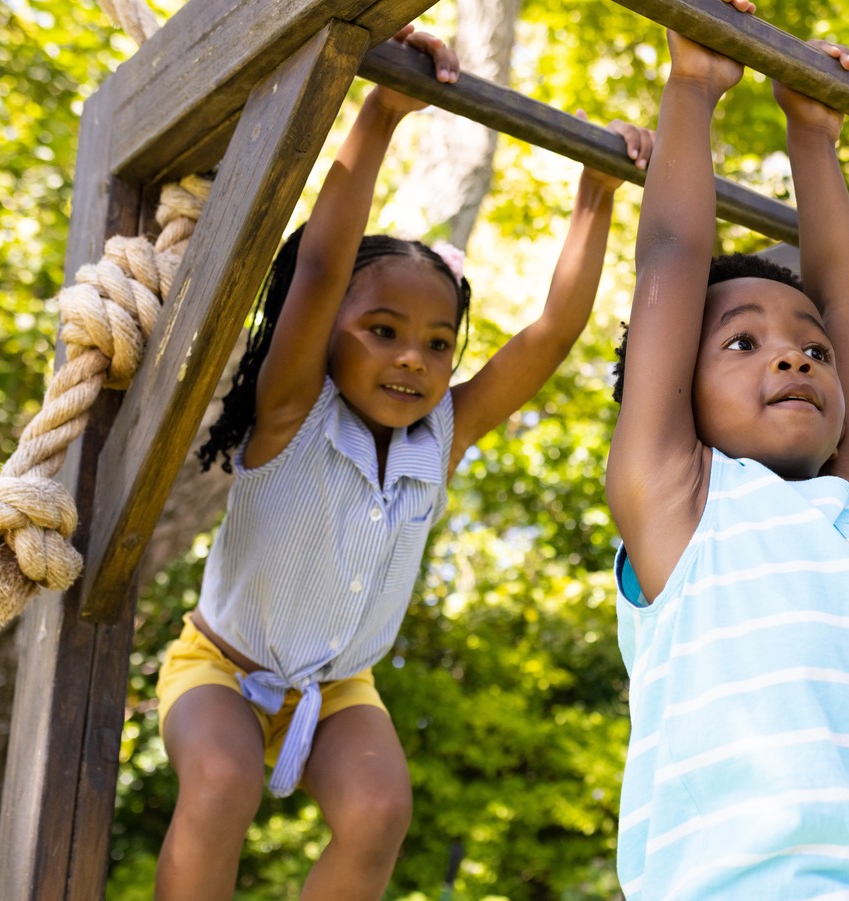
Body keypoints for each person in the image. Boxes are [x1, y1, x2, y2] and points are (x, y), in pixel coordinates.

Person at [154, 25, 654, 900]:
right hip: (220, 669)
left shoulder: (440, 437)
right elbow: (319, 268)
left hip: (338, 687)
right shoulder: (291, 411)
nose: (413, 359)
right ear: (329, 336)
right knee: (224, 781)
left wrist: (595, 198)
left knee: (382, 809)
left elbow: (550, 334)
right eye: (382, 332)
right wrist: (381, 110)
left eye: (437, 343)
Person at [604, 7, 849, 898]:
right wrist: (693, 86)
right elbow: (671, 257)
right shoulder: (679, 504)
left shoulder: (847, 508)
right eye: (742, 343)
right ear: (674, 391)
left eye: (811, 350)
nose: (795, 358)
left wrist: (813, 136)